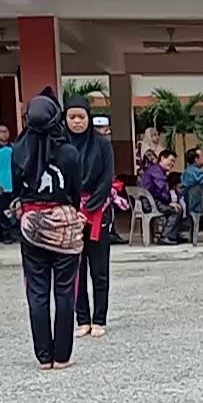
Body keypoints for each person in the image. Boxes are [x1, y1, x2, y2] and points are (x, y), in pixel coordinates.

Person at [13, 88, 84, 369]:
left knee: (37, 291)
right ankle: (62, 355)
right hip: (64, 222)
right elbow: (76, 192)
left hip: (31, 224)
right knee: (65, 291)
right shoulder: (69, 152)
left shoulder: (19, 150)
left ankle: (43, 356)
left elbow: (15, 189)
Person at [63, 95, 116, 336]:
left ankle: (99, 319)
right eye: (72, 117)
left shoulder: (102, 144)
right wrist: (70, 208)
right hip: (69, 213)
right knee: (76, 268)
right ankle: (81, 319)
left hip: (97, 211)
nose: (76, 122)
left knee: (99, 268)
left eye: (81, 117)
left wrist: (90, 206)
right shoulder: (60, 145)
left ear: (89, 118)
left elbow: (107, 178)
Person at [138, 149, 185, 245]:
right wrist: (170, 202)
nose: (172, 164)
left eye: (174, 162)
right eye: (171, 160)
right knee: (177, 210)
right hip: (151, 203)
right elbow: (161, 190)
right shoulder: (156, 172)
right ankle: (166, 236)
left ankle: (173, 234)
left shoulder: (153, 169)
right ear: (162, 158)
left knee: (176, 207)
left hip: (148, 200)